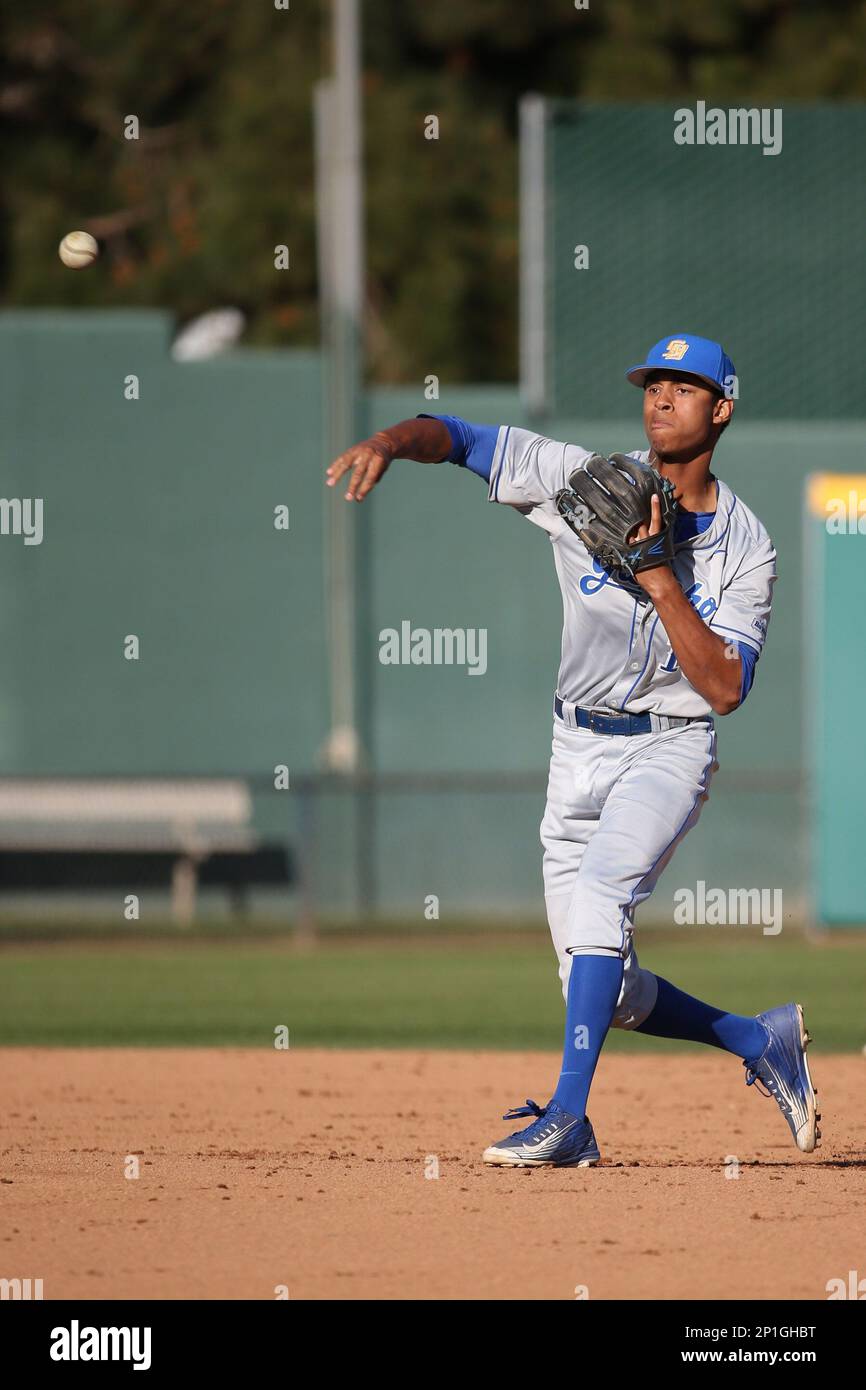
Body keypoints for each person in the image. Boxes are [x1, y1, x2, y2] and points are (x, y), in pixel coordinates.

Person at [325, 333, 819, 1167]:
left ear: (722, 408)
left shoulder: (746, 547)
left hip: (667, 748)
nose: (661, 397)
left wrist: (661, 576)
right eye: (652, 383)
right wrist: (388, 443)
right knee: (605, 988)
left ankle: (568, 1118)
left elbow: (725, 689)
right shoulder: (586, 482)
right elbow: (464, 439)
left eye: (684, 386)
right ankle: (758, 1038)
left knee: (600, 898)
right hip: (573, 748)